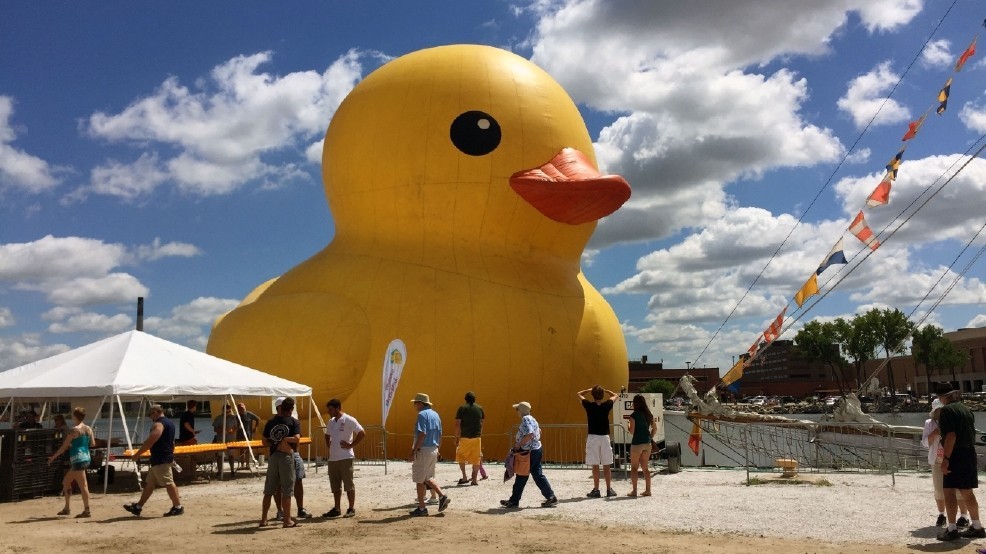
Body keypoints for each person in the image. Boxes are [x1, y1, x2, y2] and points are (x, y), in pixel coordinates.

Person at [936, 382, 985, 541]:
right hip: (969, 452)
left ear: (942, 397)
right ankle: (977, 526)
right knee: (967, 491)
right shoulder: (966, 409)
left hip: (956, 454)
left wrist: (946, 459)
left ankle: (951, 529)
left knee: (949, 490)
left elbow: (951, 436)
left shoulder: (946, 411)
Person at [123, 404, 184, 517]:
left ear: (155, 412)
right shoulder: (170, 423)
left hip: (161, 458)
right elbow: (172, 442)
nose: (150, 418)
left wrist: (137, 454)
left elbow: (151, 441)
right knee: (150, 484)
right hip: (163, 457)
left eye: (150, 415)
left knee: (169, 483)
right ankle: (138, 507)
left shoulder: (158, 424)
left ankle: (178, 507)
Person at [921, 398, 970, 528]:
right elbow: (925, 443)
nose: (941, 413)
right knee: (939, 489)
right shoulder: (929, 423)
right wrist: (934, 434)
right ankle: (941, 514)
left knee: (958, 489)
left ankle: (964, 516)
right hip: (937, 460)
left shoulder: (952, 421)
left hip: (953, 458)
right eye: (938, 410)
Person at [499, 401, 557, 508]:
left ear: (521, 410)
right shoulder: (533, 419)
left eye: (517, 409)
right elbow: (539, 431)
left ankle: (514, 501)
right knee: (535, 474)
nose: (517, 411)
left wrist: (518, 445)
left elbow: (530, 434)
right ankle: (550, 496)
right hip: (536, 449)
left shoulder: (525, 419)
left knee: (522, 475)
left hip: (528, 452)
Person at [260, 396, 302, 528]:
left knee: (269, 489)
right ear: (291, 409)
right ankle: (287, 520)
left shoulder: (271, 422)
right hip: (286, 456)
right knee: (287, 489)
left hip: (273, 456)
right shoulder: (293, 422)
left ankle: (264, 519)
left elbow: (264, 441)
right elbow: (297, 439)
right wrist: (284, 440)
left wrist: (275, 443)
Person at [47, 407, 95, 518]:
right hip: (85, 457)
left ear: (74, 416)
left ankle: (86, 510)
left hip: (78, 459)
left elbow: (64, 447)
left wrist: (53, 457)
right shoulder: (88, 429)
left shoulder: (74, 430)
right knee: (66, 482)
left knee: (83, 485)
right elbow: (92, 443)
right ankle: (67, 508)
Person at [408, 393, 450, 516]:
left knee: (419, 480)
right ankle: (442, 496)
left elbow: (422, 433)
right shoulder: (435, 415)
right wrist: (438, 449)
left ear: (420, 403)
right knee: (428, 477)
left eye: (415, 403)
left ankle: (422, 508)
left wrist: (413, 451)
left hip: (424, 450)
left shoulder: (422, 415)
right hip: (433, 449)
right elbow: (440, 434)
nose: (414, 405)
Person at [322, 398, 365, 518]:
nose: (329, 412)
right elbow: (327, 434)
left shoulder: (349, 419)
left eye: (331, 409)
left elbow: (362, 432)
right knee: (335, 485)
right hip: (333, 458)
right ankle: (337, 508)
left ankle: (351, 508)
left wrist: (351, 445)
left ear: (337, 408)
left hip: (346, 457)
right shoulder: (331, 421)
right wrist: (329, 446)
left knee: (348, 484)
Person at [272, 397, 313, 520]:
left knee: (298, 481)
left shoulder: (293, 421)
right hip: (279, 455)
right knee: (278, 484)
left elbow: (297, 438)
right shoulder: (273, 422)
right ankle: (280, 511)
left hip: (294, 454)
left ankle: (300, 508)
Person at [576, 385, 619, 497]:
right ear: (602, 395)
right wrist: (608, 391)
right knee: (606, 465)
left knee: (595, 465)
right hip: (604, 437)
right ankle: (609, 489)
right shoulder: (606, 405)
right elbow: (615, 396)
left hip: (593, 437)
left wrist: (588, 390)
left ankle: (596, 489)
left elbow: (579, 394)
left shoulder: (589, 406)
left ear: (593, 395)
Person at [627, 394, 656, 497]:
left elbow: (632, 431)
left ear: (635, 403)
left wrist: (628, 424)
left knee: (634, 468)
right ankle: (648, 490)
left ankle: (634, 491)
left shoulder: (633, 415)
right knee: (645, 468)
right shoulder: (649, 414)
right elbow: (655, 429)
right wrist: (650, 437)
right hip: (647, 444)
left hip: (637, 443)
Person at [454, 391, 485, 485]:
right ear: (474, 399)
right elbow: (482, 422)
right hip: (477, 437)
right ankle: (474, 479)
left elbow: (457, 424)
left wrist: (456, 437)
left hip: (465, 437)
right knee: (476, 458)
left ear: (465, 399)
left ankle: (464, 477)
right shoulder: (480, 408)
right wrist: (480, 434)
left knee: (461, 456)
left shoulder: (462, 408)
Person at [212, 403, 238, 475]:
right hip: (221, 439)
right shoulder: (218, 418)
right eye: (227, 412)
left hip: (231, 440)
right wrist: (222, 430)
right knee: (220, 456)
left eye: (229, 411)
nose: (228, 413)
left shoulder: (233, 418)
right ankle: (219, 471)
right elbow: (215, 429)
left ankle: (232, 470)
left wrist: (231, 430)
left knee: (231, 455)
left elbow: (236, 427)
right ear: (223, 411)